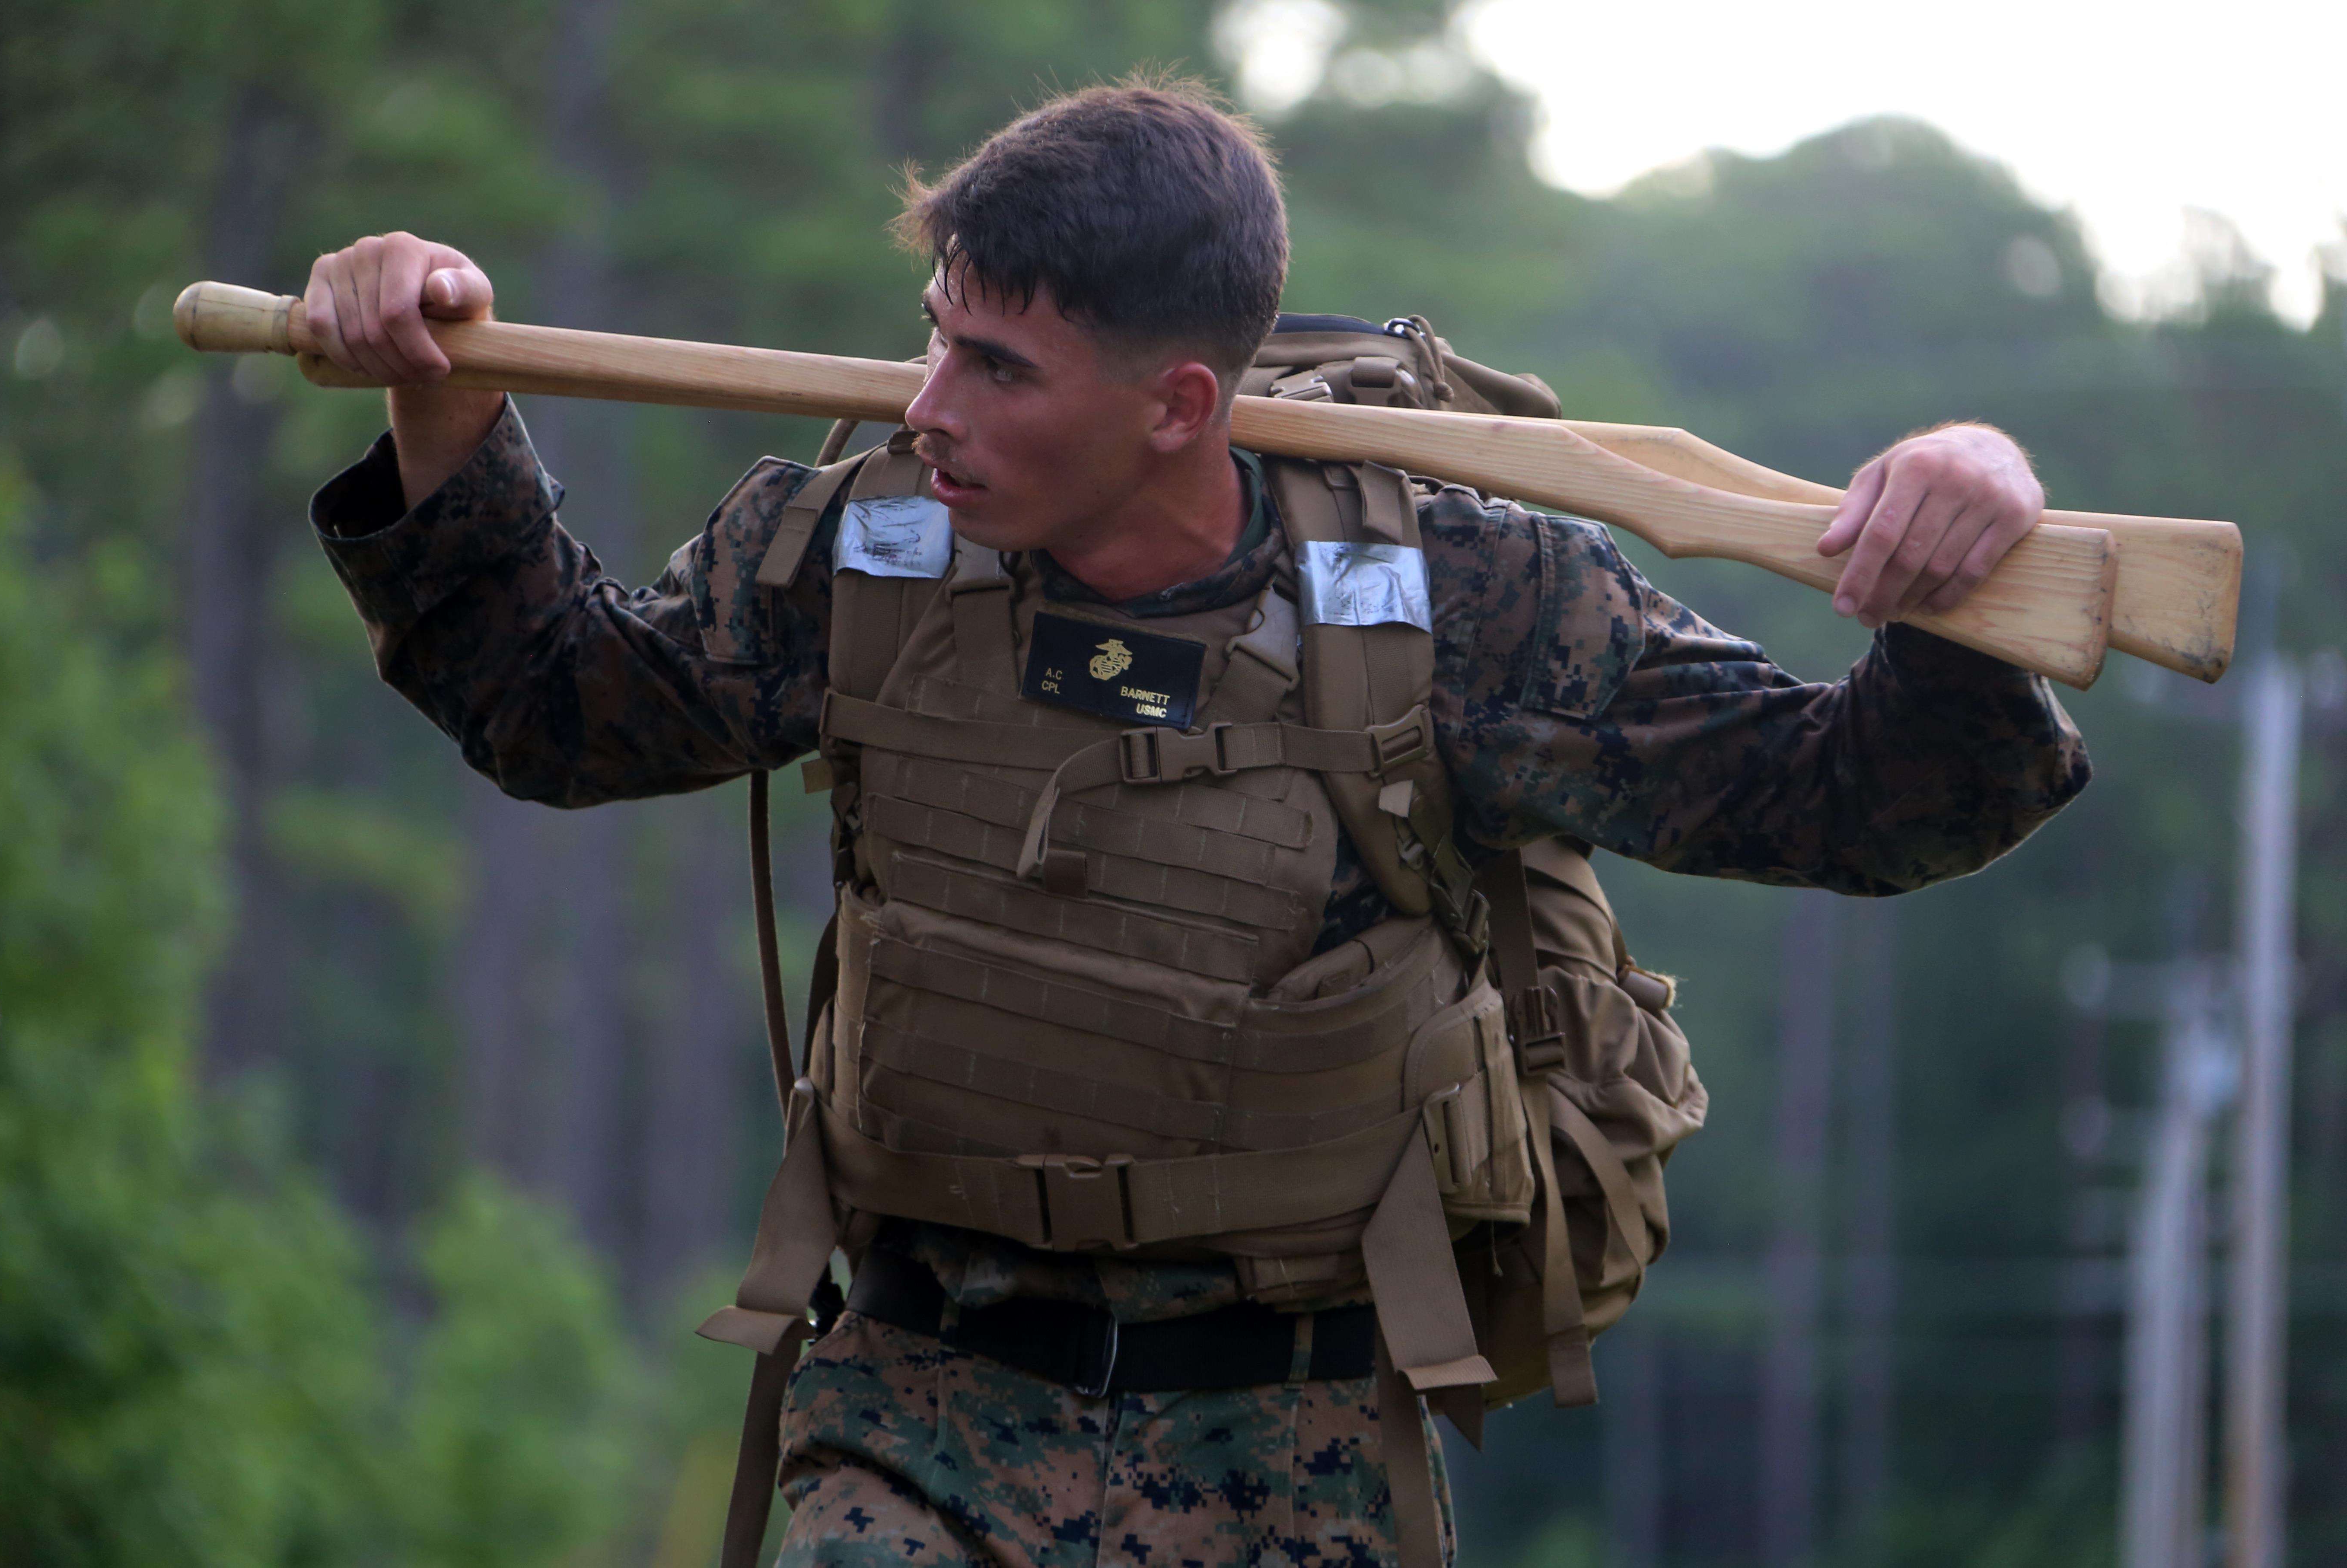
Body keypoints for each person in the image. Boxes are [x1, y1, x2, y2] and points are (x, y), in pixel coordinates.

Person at [300, 77, 2086, 1568]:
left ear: (1176, 405)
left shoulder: (1451, 597)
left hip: (1293, 1453)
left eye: (998, 369)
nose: (927, 412)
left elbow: (1860, 805)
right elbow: (558, 717)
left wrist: (1956, 540)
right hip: (915, 1420)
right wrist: (439, 412)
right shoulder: (858, 547)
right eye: (937, 340)